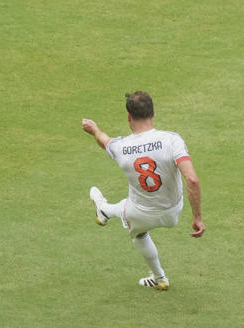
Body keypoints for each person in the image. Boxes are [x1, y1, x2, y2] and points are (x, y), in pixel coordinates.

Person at [81, 91, 205, 291]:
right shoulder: (172, 140)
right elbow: (191, 179)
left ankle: (159, 276)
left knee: (136, 230)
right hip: (173, 213)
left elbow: (104, 140)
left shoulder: (121, 147)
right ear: (153, 113)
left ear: (128, 116)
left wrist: (94, 129)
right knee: (129, 213)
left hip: (140, 214)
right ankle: (158, 278)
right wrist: (197, 216)